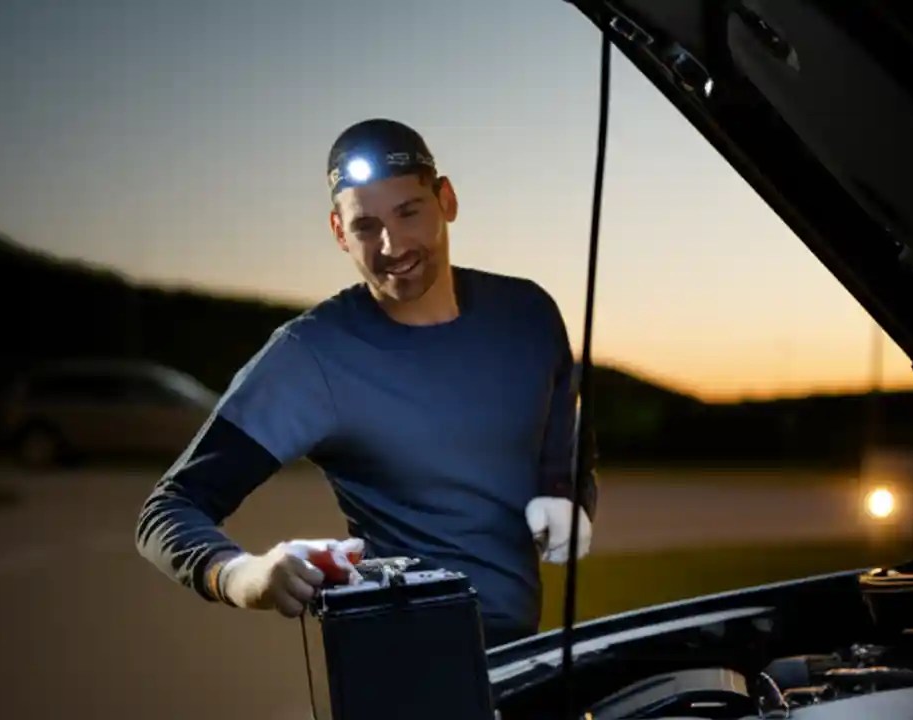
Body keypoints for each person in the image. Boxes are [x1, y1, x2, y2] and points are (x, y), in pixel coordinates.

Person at [134, 117, 598, 649]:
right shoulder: (312, 356)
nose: (392, 244)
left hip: (525, 659)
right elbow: (168, 509)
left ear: (446, 200)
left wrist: (566, 495)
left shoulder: (528, 314)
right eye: (365, 226)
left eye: (409, 212)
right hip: (394, 666)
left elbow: (567, 441)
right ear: (338, 232)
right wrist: (244, 576)